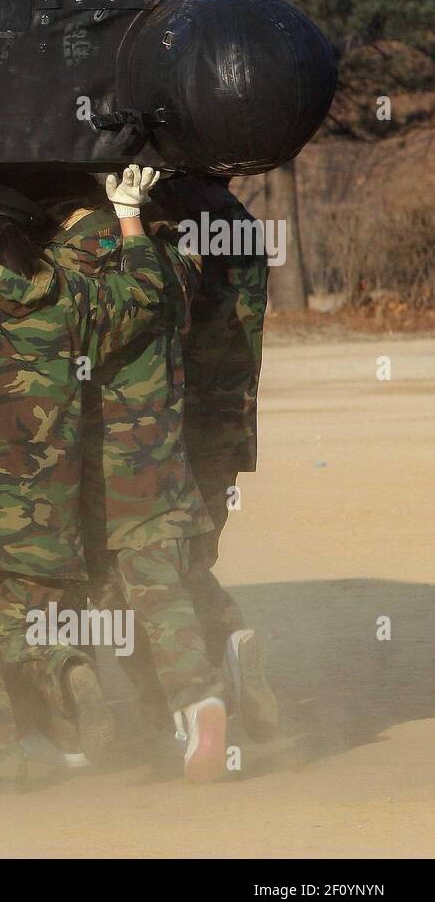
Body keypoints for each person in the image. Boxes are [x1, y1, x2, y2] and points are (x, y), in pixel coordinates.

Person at [0, 166, 229, 787]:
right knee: (42, 622)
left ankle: (7, 749)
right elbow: (148, 293)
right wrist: (129, 214)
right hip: (48, 510)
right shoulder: (71, 294)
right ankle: (93, 671)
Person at [153, 174, 278, 740]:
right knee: (193, 556)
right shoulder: (240, 225)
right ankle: (229, 640)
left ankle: (206, 689)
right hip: (225, 425)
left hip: (168, 424)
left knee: (152, 565)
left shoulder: (166, 218)